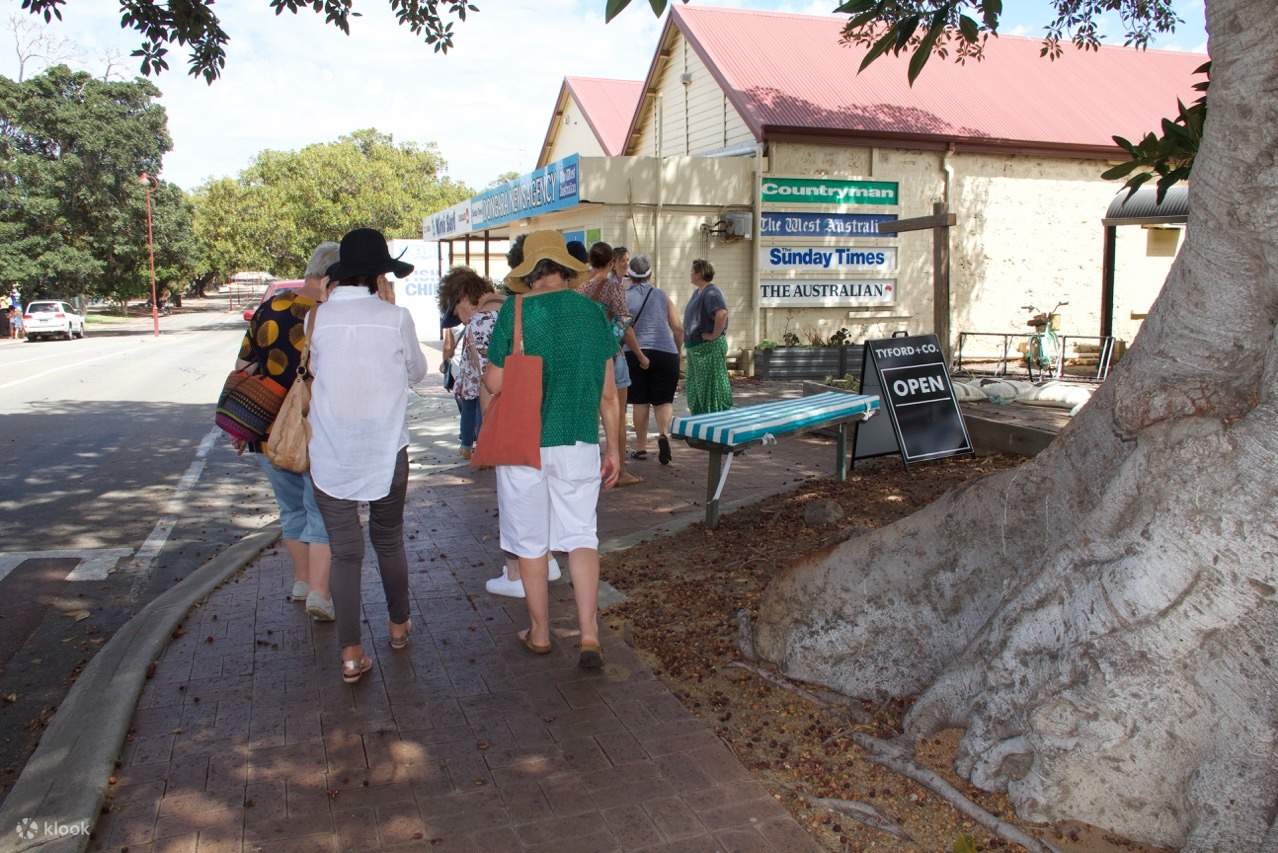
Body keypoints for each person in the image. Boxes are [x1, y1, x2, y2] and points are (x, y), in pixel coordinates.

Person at [484, 229, 621, 669]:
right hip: (579, 441)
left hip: (525, 444)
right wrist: (614, 449)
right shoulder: (593, 313)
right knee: (581, 536)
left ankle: (540, 633)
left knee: (530, 542)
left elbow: (494, 382)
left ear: (530, 271)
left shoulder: (515, 310)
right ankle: (588, 635)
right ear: (564, 268)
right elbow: (608, 394)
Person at [307, 228, 428, 684]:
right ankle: (399, 628)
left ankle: (351, 656)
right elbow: (417, 371)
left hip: (331, 449)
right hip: (386, 448)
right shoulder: (396, 318)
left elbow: (317, 370)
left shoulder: (315, 321)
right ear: (379, 275)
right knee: (389, 539)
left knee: (345, 552)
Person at [234, 242, 336, 622]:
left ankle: (301, 581)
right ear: (330, 277)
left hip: (267, 428)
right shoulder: (327, 316)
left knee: (291, 508)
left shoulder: (269, 309)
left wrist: (240, 424)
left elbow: (244, 366)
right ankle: (320, 593)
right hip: (316, 428)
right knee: (320, 510)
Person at [477, 239, 562, 599]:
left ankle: (522, 582)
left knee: (522, 516)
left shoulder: (516, 311)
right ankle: (552, 562)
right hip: (570, 430)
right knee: (565, 516)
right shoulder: (584, 311)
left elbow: (494, 381)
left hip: (523, 427)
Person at [577, 241, 645, 487]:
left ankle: (590, 467)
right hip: (610, 356)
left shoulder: (582, 287)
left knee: (592, 416)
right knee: (616, 415)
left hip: (585, 358)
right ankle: (620, 470)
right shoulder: (612, 286)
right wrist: (609, 340)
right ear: (611, 262)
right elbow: (624, 319)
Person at [623, 255, 683, 463]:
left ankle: (640, 448)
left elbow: (623, 328)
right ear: (650, 274)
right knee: (663, 400)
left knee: (640, 401)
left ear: (629, 274)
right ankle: (664, 434)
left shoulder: (624, 296)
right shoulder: (661, 295)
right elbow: (677, 328)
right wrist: (677, 351)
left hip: (635, 351)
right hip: (666, 352)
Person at [683, 258, 733, 414]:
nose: (690, 274)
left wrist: (714, 335)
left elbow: (722, 313)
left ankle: (714, 419)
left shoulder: (711, 292)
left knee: (710, 387)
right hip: (697, 349)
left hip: (708, 350)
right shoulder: (698, 292)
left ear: (699, 274)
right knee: (697, 386)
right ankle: (700, 418)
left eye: (692, 271)